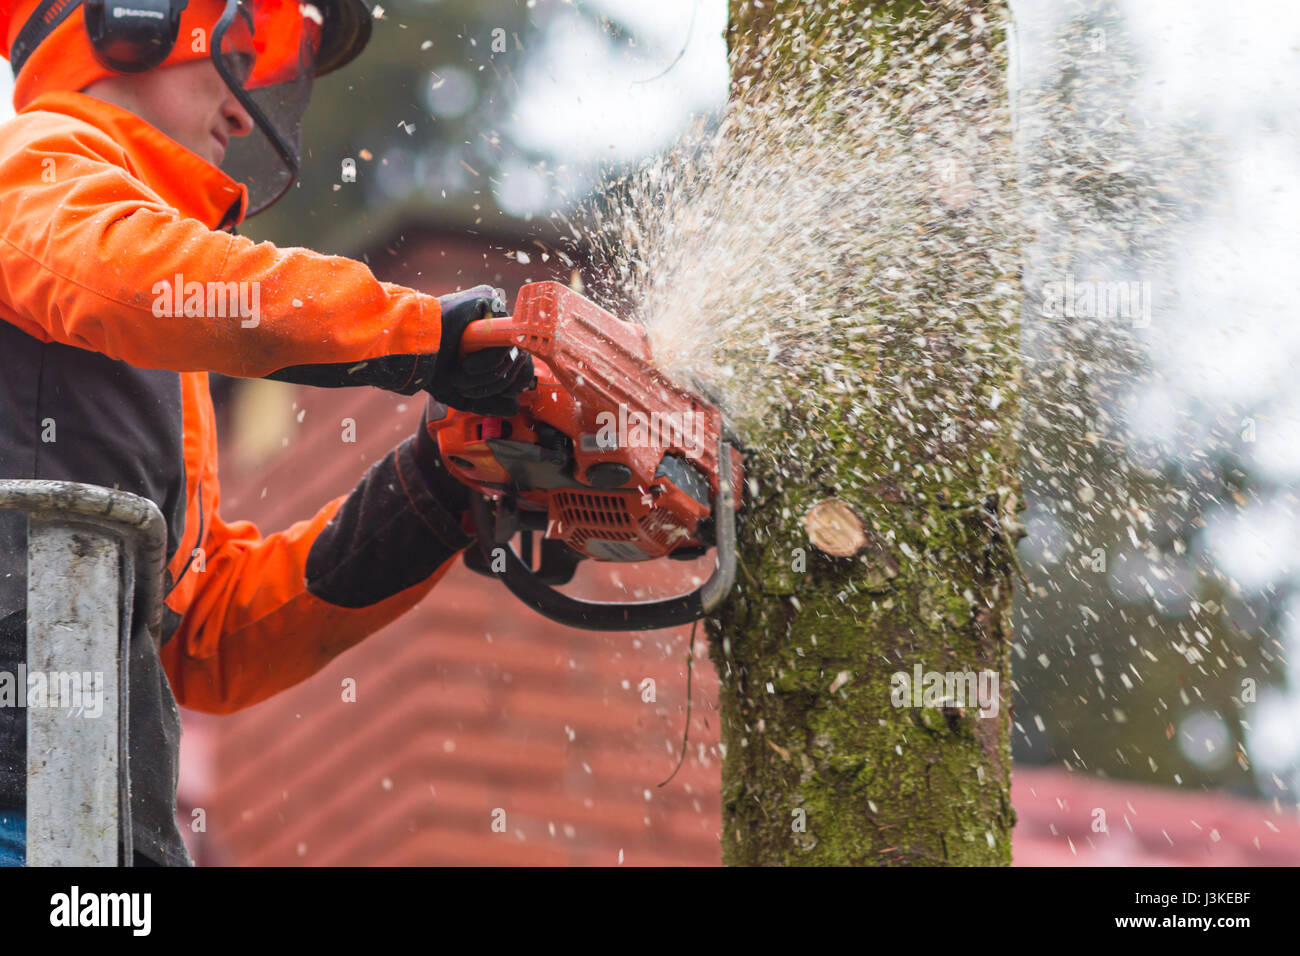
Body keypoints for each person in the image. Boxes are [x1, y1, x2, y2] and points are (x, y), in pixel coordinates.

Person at [0, 0, 532, 866]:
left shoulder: (158, 337)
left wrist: (441, 485)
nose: (246, 109)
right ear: (129, 21)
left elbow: (204, 631)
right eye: (239, 53)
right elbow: (123, 277)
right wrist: (414, 333)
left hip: (96, 831)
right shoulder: (32, 169)